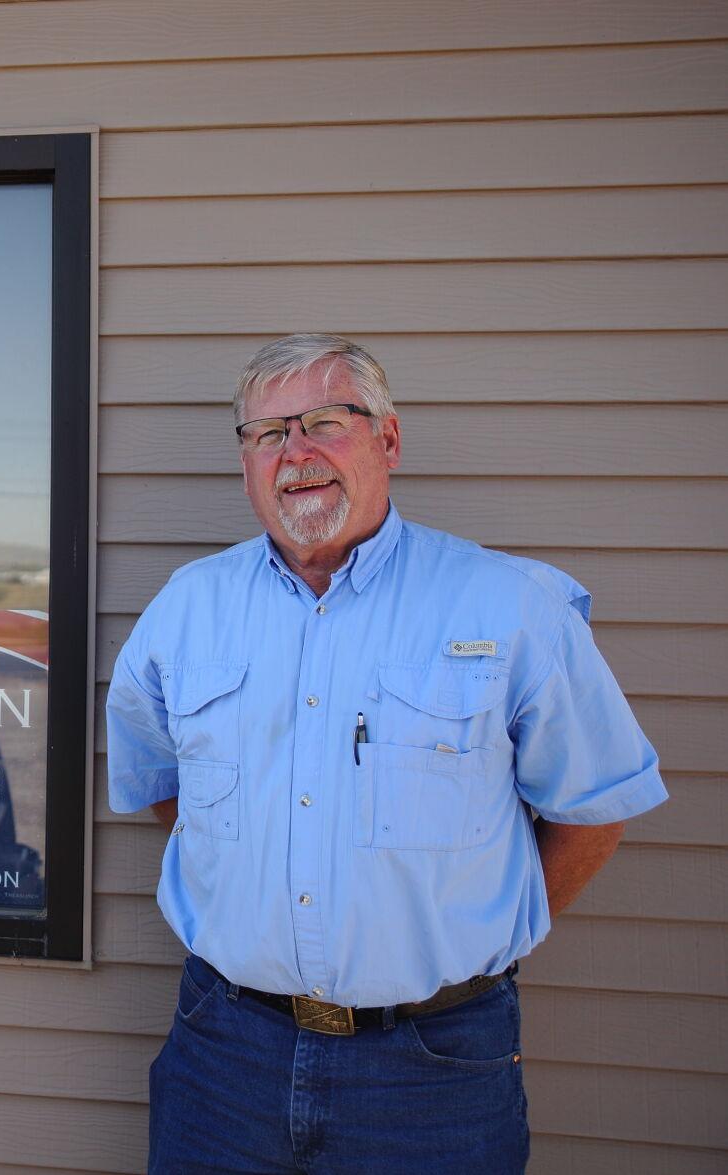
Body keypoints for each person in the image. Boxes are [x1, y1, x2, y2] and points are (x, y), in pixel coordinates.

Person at [106, 335, 666, 1173]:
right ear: (246, 461)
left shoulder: (506, 604)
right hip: (223, 1052)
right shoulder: (186, 611)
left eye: (324, 422)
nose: (294, 452)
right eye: (266, 433)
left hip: (431, 1069)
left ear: (388, 440)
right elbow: (162, 783)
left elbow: (597, 804)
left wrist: (487, 931)